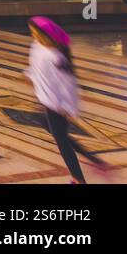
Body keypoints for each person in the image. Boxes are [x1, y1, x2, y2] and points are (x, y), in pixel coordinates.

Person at [25, 16, 110, 183]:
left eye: (34, 31)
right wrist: (29, 75)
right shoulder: (37, 47)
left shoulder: (57, 57)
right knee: (55, 132)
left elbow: (68, 84)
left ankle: (78, 179)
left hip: (56, 103)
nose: (32, 34)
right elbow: (36, 67)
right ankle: (97, 163)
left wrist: (68, 107)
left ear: (43, 34)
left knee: (62, 142)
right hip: (44, 98)